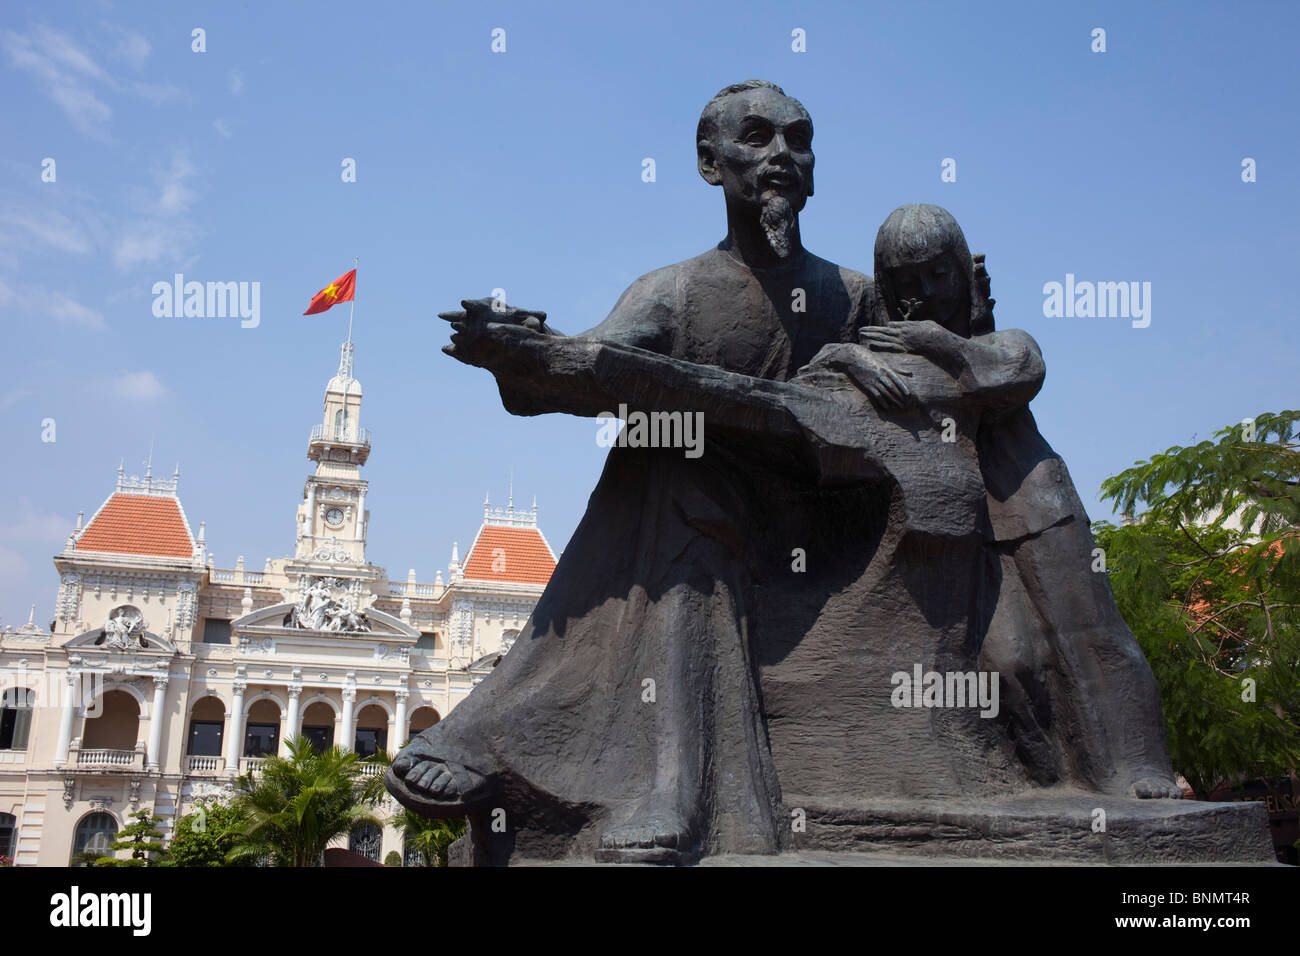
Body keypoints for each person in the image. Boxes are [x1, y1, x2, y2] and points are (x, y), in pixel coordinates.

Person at [387, 80, 890, 863]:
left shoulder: (855, 297)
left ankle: (663, 790)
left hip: (824, 526)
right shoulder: (673, 292)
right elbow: (590, 370)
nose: (781, 156)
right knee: (664, 455)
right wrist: (523, 357)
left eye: (798, 138)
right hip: (699, 517)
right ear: (708, 162)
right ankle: (589, 761)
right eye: (757, 138)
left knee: (674, 464)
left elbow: (912, 403)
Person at [856, 204, 1181, 798]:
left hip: (1037, 504)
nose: (927, 293)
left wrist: (939, 342)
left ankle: (1138, 767)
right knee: (1007, 662)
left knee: (1090, 635)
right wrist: (847, 355)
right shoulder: (891, 350)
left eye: (938, 274)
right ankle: (1056, 782)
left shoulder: (1001, 342)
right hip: (966, 522)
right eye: (909, 283)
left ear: (961, 269)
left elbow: (1015, 372)